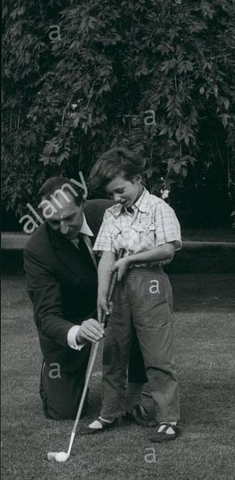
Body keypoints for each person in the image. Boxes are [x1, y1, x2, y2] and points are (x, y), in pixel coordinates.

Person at [23, 176, 149, 422]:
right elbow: (46, 315)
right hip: (74, 318)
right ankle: (57, 375)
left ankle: (134, 392)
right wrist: (77, 332)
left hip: (120, 305)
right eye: (54, 222)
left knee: (141, 314)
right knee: (63, 411)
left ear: (83, 203)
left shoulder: (110, 213)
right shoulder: (37, 250)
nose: (64, 228)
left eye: (69, 218)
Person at [86, 147, 184, 440]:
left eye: (120, 190)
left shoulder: (159, 208)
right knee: (114, 351)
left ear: (138, 179)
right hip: (118, 286)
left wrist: (130, 259)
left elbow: (169, 248)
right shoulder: (112, 214)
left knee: (156, 353)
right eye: (112, 193)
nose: (116, 198)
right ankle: (111, 412)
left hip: (150, 284)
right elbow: (106, 256)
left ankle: (168, 418)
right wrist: (102, 294)